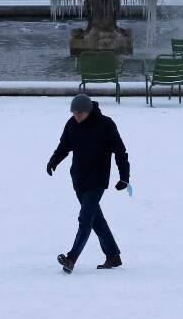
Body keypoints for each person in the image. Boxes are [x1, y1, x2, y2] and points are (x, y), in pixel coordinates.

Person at [47, 93, 130, 273]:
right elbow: (64, 145)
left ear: (89, 111)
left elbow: (120, 152)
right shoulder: (72, 124)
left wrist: (124, 177)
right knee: (96, 220)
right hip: (79, 179)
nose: (76, 116)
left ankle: (71, 258)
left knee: (85, 219)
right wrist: (54, 160)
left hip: (97, 180)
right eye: (74, 113)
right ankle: (113, 255)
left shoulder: (106, 125)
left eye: (80, 113)